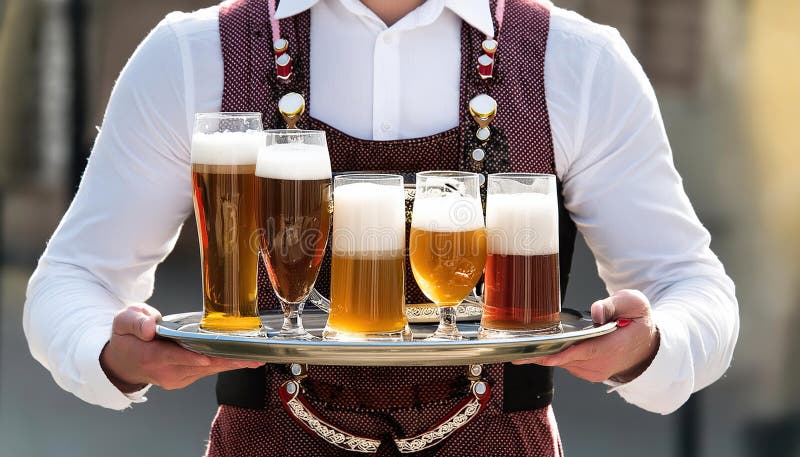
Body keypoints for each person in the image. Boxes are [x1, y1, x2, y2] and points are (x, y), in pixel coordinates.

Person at [23, 0, 739, 455]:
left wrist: (647, 347)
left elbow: (692, 288)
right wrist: (115, 356)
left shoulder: (578, 62)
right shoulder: (191, 54)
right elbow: (73, 282)